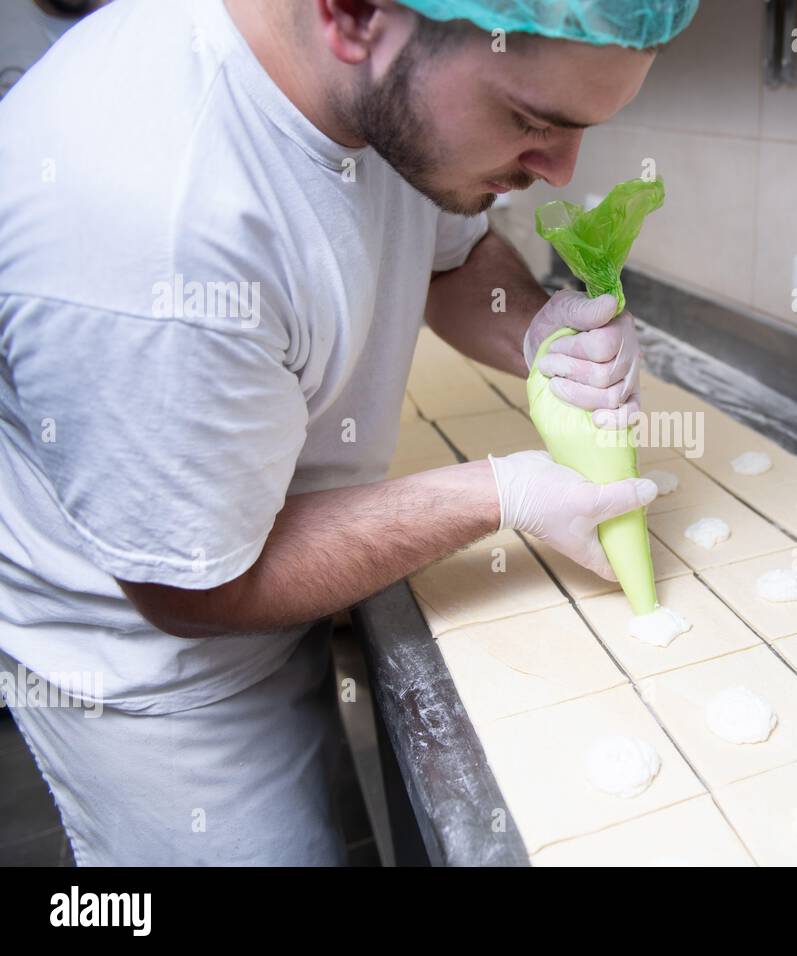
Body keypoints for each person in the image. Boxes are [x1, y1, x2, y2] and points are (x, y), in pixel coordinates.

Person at [0, 0, 697, 865]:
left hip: (270, 557)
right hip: (164, 689)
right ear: (355, 16)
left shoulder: (378, 86)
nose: (559, 172)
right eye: (529, 120)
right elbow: (198, 590)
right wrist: (499, 492)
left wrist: (533, 327)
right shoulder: (152, 220)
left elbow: (454, 250)